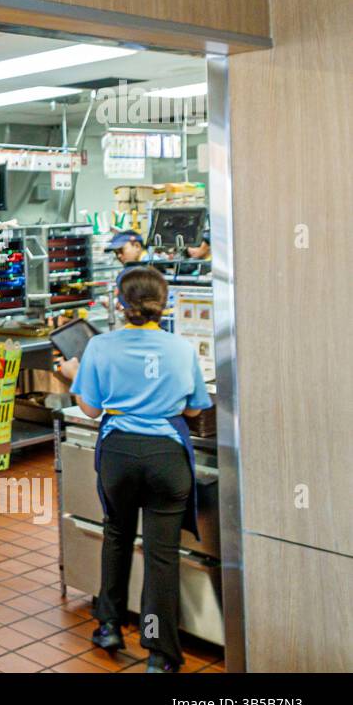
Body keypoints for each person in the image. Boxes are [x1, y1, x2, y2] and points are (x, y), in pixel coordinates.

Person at [57, 266, 211, 673]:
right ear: (166, 303)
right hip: (166, 457)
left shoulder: (101, 347)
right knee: (161, 556)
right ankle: (159, 654)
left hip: (119, 454)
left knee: (117, 536)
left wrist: (74, 376)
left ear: (121, 304)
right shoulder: (181, 348)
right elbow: (194, 407)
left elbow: (90, 409)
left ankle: (108, 626)